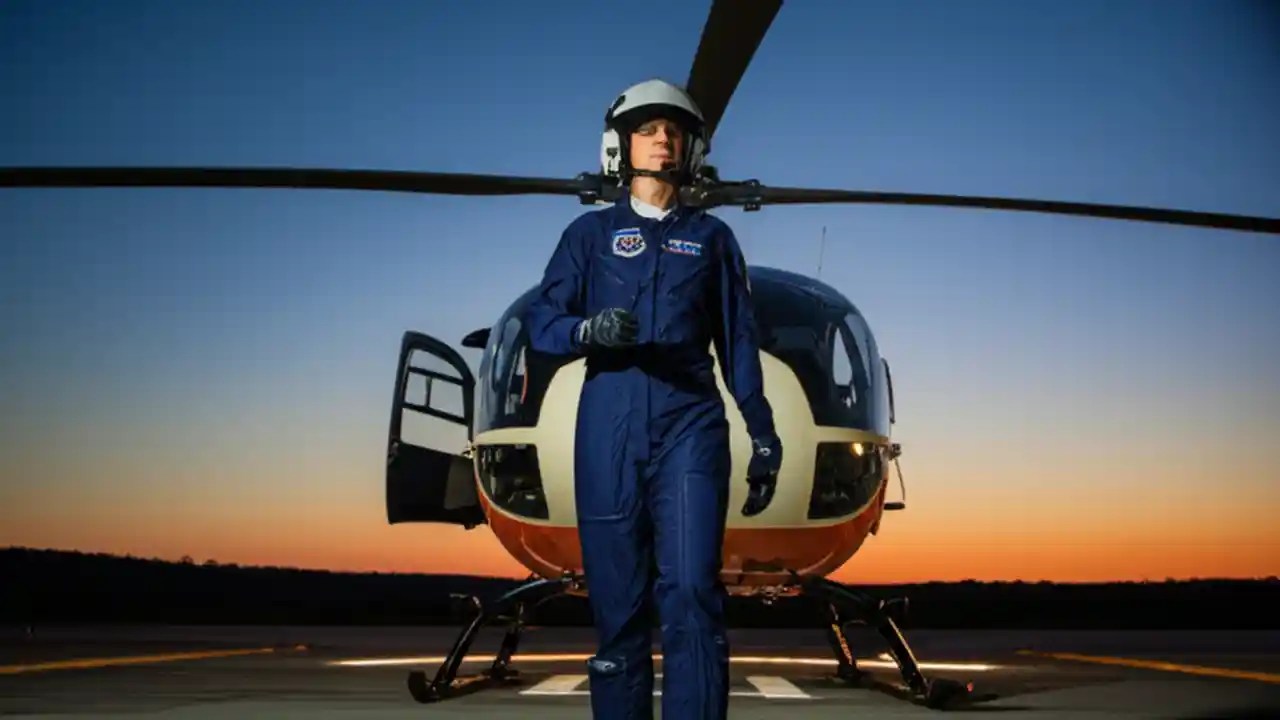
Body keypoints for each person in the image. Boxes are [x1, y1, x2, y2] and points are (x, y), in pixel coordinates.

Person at [524, 78, 782, 720]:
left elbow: (739, 343)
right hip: (608, 428)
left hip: (690, 424)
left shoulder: (713, 239)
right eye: (646, 129)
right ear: (620, 146)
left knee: (692, 590)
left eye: (673, 130)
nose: (662, 139)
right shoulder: (588, 236)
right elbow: (542, 324)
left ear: (692, 149)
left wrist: (763, 433)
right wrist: (588, 331)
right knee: (618, 606)